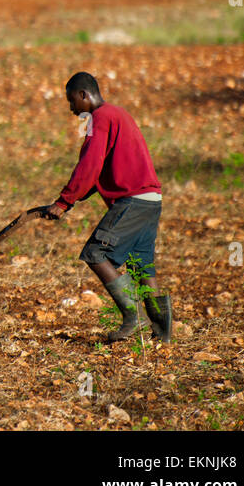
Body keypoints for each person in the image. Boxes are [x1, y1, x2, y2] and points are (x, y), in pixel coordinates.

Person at [40, 71, 173, 343]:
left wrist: (65, 200)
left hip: (132, 201)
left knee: (95, 253)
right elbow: (96, 174)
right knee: (141, 266)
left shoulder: (100, 118)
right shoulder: (117, 114)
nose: (71, 109)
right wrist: (67, 203)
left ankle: (132, 315)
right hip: (150, 201)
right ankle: (163, 333)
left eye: (71, 101)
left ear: (83, 95)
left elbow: (89, 165)